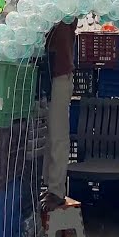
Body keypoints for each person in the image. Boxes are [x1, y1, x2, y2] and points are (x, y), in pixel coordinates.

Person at [43, 20, 76, 212]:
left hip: (59, 72)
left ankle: (56, 190)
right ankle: (47, 184)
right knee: (46, 134)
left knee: (57, 133)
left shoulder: (66, 11)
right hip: (43, 70)